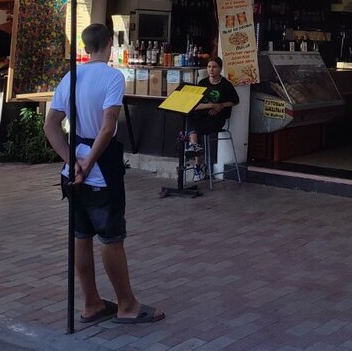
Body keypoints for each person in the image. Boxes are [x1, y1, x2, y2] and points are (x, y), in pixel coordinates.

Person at [44, 23, 164, 326]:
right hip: (99, 170)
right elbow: (108, 127)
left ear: (85, 47)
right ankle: (127, 305)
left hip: (72, 169)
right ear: (110, 43)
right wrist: (88, 163)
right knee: (111, 238)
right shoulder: (112, 77)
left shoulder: (70, 76)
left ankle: (91, 302)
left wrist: (72, 161)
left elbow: (51, 125)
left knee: (81, 235)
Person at [183, 57, 239, 182]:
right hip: (202, 116)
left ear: (220, 69)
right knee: (191, 117)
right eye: (209, 67)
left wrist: (220, 106)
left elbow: (235, 101)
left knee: (195, 131)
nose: (211, 69)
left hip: (216, 118)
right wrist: (212, 105)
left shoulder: (225, 85)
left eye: (214, 67)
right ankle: (195, 151)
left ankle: (197, 162)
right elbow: (194, 104)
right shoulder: (202, 83)